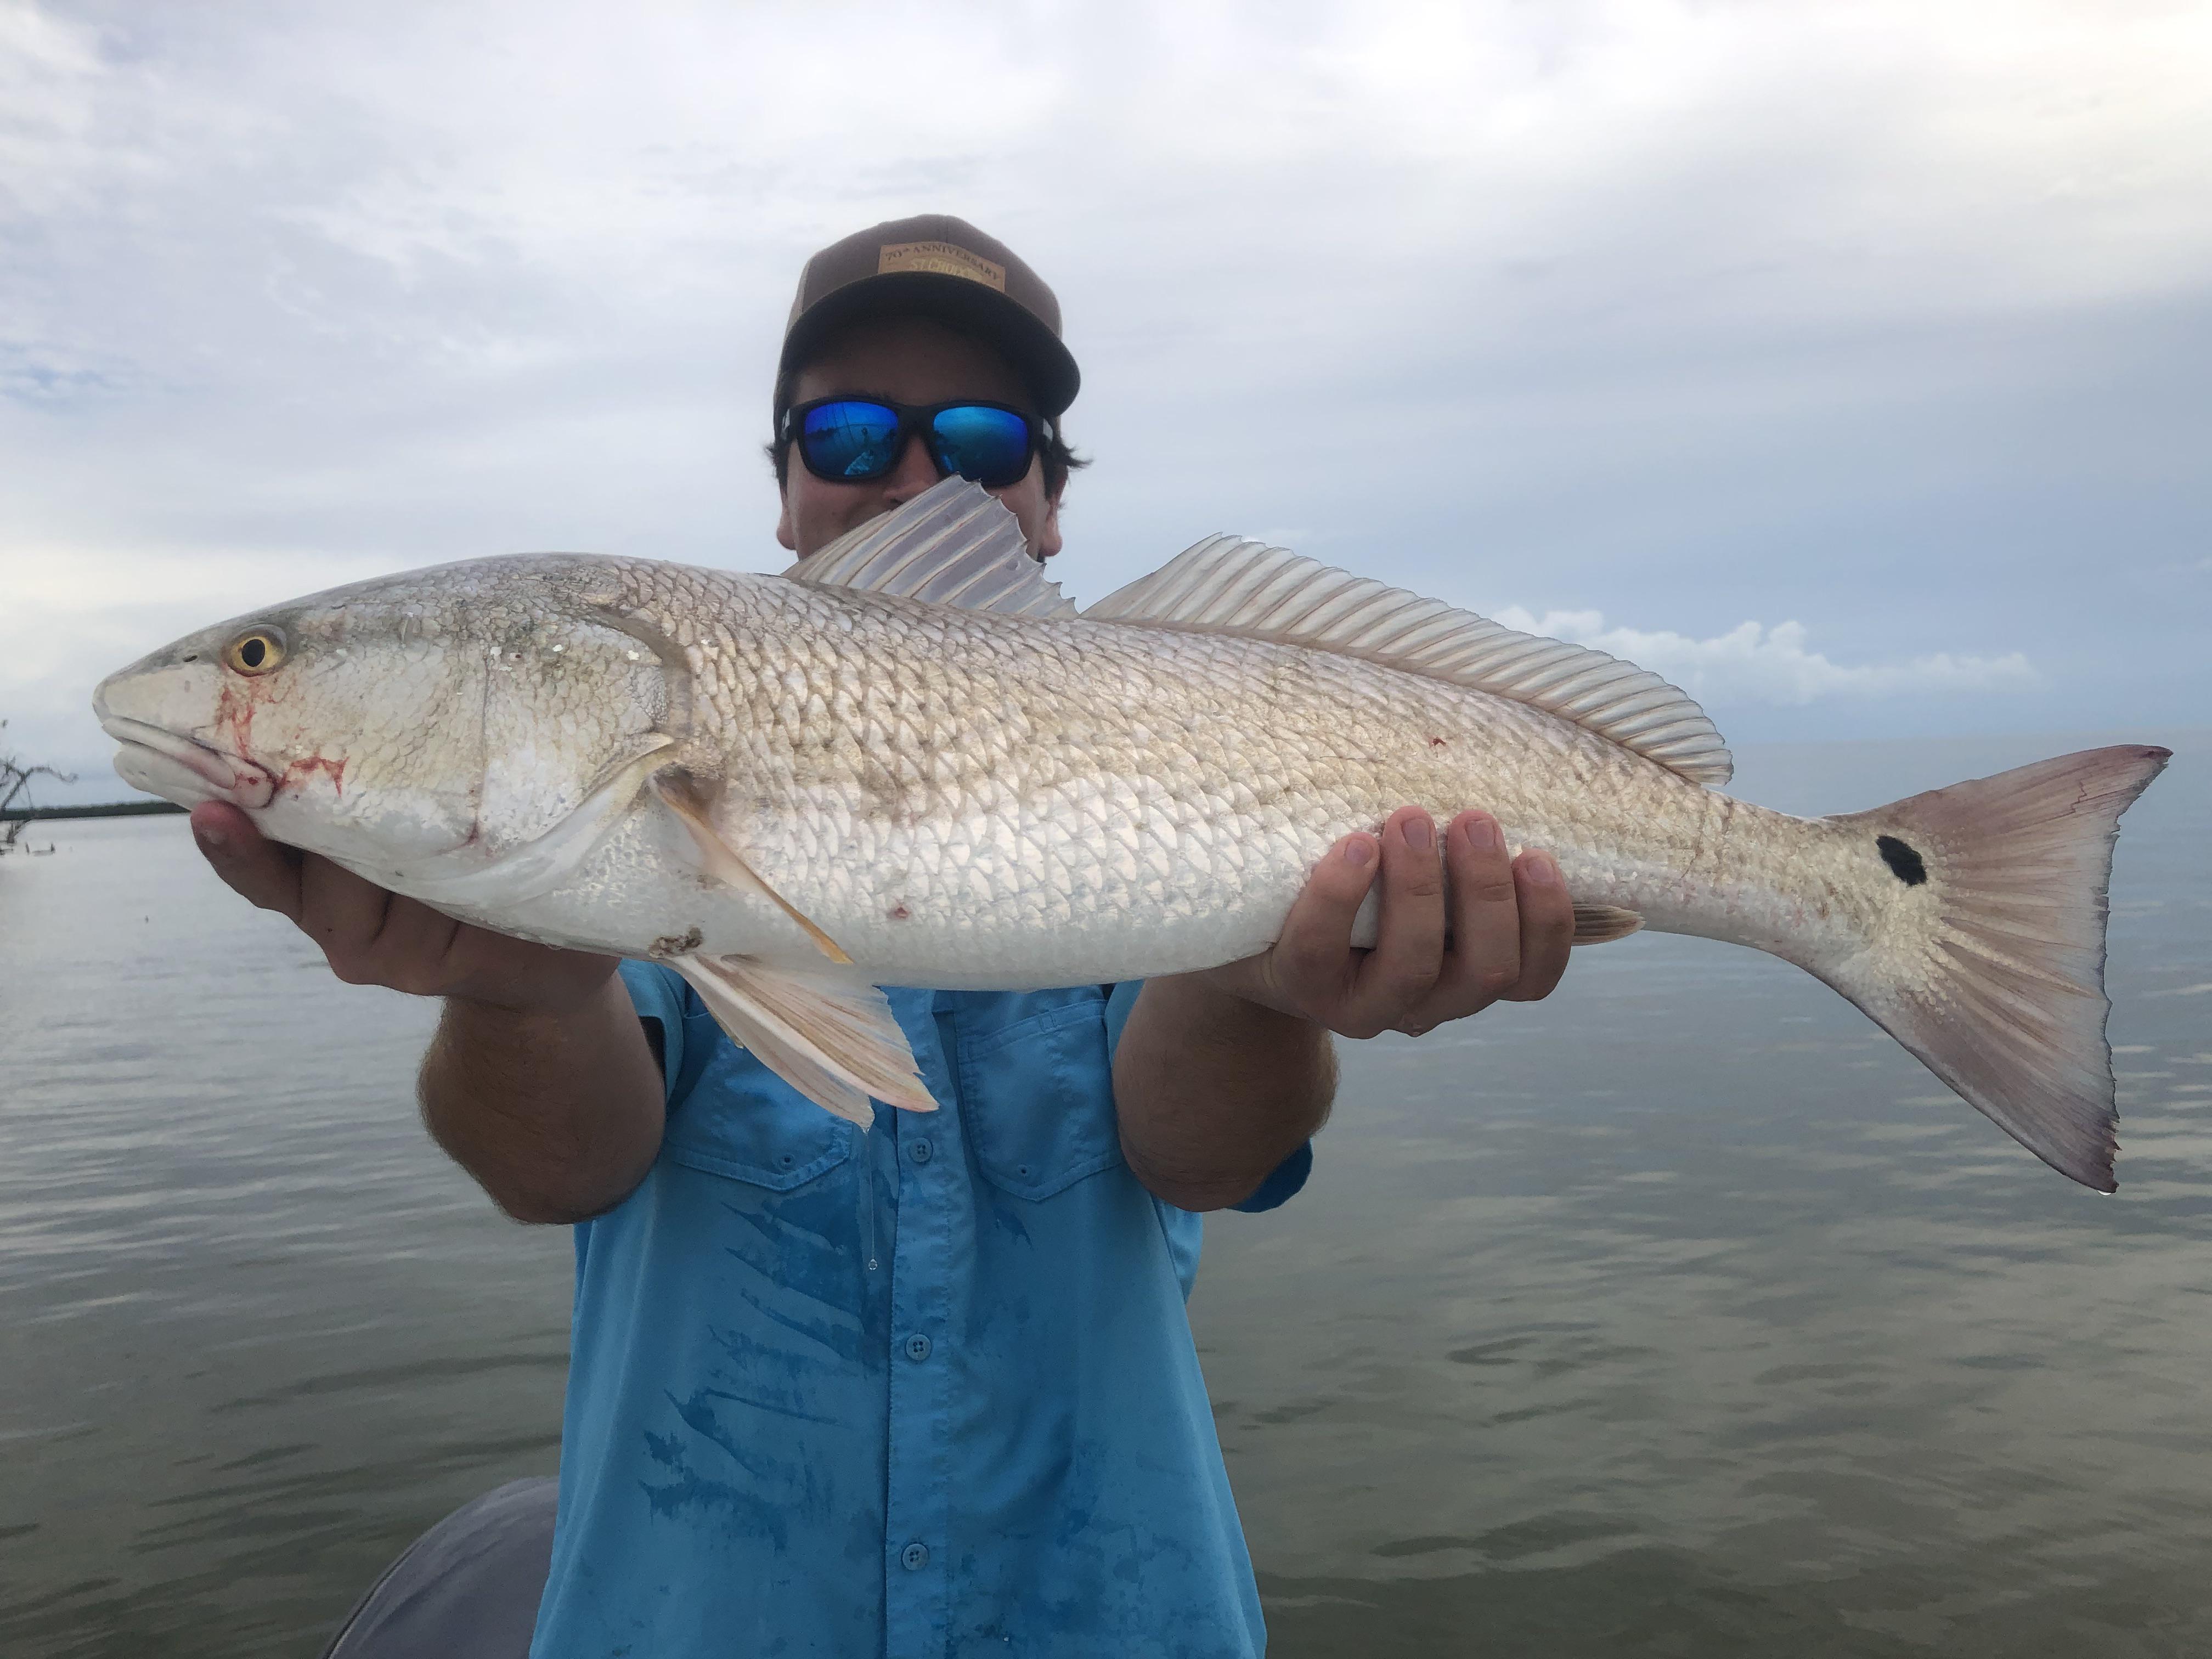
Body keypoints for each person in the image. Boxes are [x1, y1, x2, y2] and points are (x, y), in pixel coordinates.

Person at [204, 215, 1575, 1657]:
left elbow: (1205, 1160)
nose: (917, 476)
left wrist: (1261, 988)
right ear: (787, 487)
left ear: (1050, 501)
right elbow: (559, 1174)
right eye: (850, 434)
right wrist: (522, 999)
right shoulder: (614, 797)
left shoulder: (1187, 742)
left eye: (985, 439)